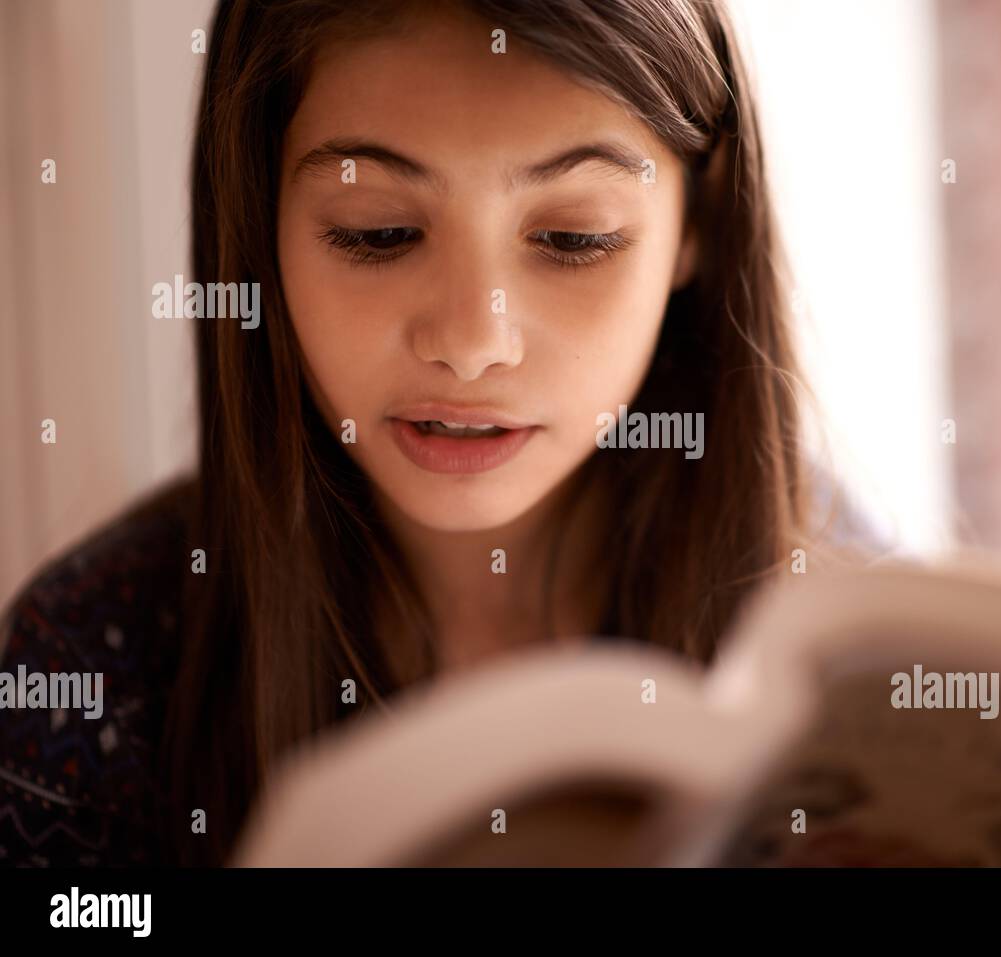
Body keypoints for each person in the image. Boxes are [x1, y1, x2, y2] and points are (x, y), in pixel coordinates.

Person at [0, 0, 880, 867]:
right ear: (260, 220)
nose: (470, 343)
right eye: (377, 233)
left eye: (574, 237)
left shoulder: (848, 609)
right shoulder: (84, 673)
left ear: (702, 220)